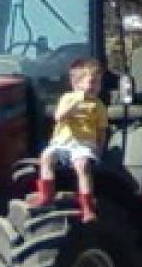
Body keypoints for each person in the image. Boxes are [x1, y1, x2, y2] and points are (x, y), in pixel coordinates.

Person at [33, 57, 107, 223]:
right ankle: (47, 196)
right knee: (46, 157)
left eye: (98, 83)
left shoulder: (98, 105)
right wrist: (75, 103)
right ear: (77, 83)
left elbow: (101, 130)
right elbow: (59, 116)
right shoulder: (67, 98)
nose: (95, 87)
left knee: (82, 165)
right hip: (62, 143)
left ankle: (87, 206)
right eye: (92, 82)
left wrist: (100, 150)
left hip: (83, 144)